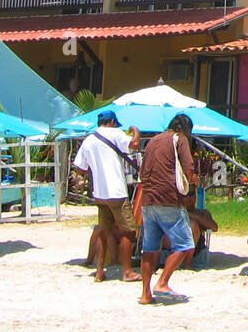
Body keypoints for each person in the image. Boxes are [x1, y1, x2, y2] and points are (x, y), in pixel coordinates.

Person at [71, 111, 141, 283]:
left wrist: (96, 169)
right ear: (111, 122)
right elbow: (135, 144)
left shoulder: (88, 140)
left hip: (100, 194)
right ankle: (127, 271)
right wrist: (136, 130)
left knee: (104, 231)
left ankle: (100, 271)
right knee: (129, 231)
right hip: (116, 192)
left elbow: (80, 168)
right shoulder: (116, 133)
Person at [137, 113, 199, 304]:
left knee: (149, 248)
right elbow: (188, 169)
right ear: (185, 129)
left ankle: (146, 294)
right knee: (185, 244)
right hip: (168, 199)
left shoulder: (153, 140)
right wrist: (193, 183)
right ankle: (162, 283)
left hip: (147, 199)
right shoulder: (179, 139)